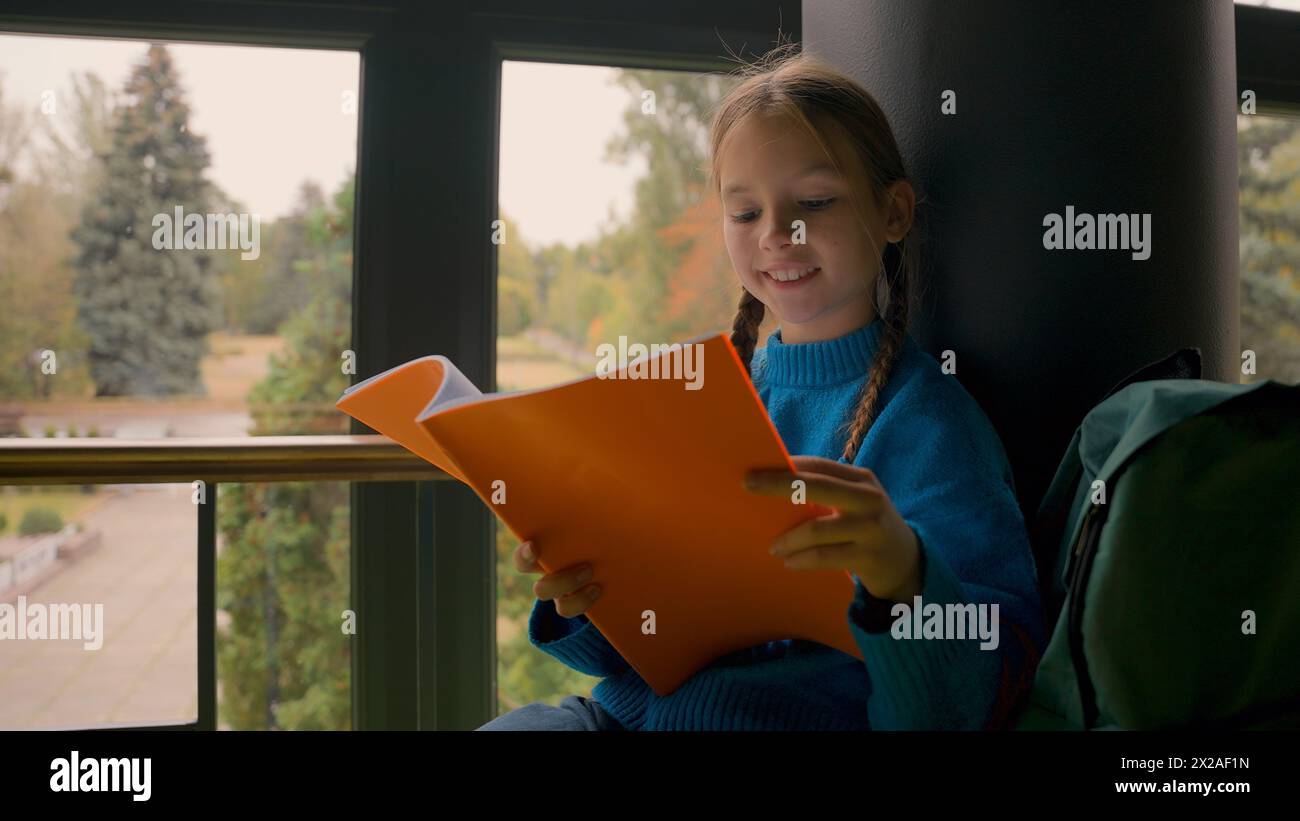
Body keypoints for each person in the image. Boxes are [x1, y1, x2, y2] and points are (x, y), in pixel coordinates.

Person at [478, 44, 1044, 731]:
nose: (779, 232)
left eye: (813, 201)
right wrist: (589, 593)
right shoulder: (694, 399)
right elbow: (635, 651)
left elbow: (976, 692)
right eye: (745, 213)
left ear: (894, 212)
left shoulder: (934, 427)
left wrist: (905, 577)